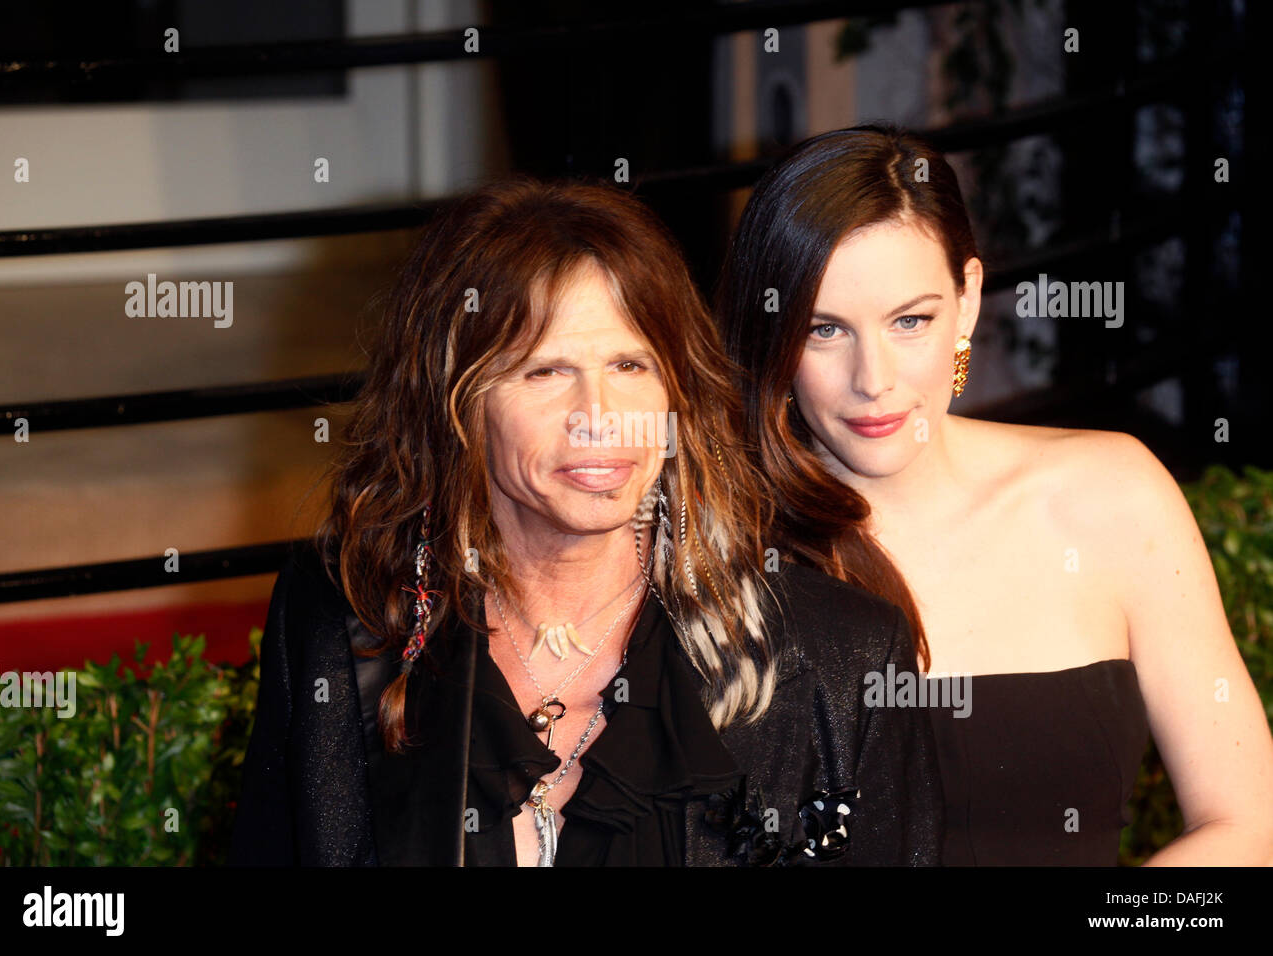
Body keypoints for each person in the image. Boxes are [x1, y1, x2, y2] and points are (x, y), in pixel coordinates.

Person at [228, 176, 944, 866]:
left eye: (631, 366)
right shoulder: (345, 618)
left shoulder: (837, 659)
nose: (598, 419)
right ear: (455, 401)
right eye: (545, 371)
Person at [715, 123, 1273, 865]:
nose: (873, 379)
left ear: (968, 300)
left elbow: (1251, 826)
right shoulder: (723, 543)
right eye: (824, 330)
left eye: (910, 320)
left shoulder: (1112, 496)